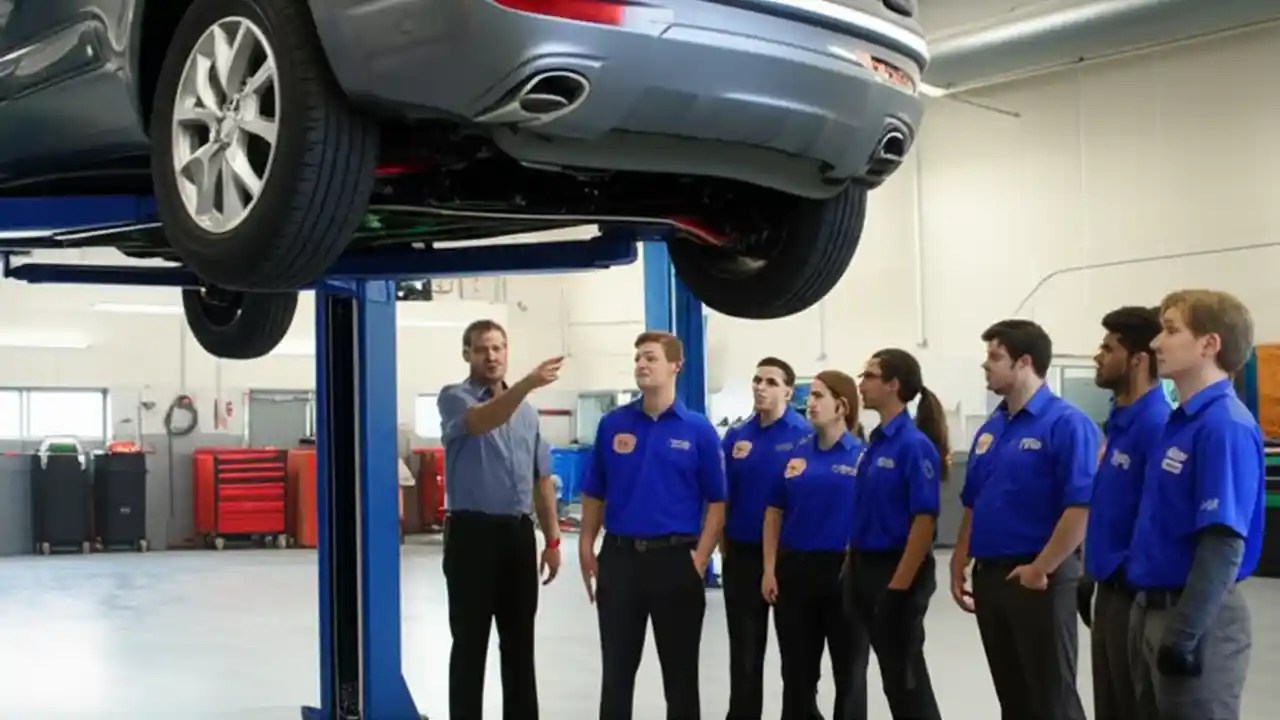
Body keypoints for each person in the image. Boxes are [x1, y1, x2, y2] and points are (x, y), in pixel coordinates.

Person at [950, 319, 1098, 720]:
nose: (986, 366)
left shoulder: (1067, 424)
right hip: (991, 577)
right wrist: (959, 556)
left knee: (1052, 698)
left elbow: (1080, 506)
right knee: (1013, 698)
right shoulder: (990, 430)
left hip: (1041, 578)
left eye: (995, 357)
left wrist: (1040, 569)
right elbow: (974, 501)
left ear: (1025, 362)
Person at [1127, 289, 1263, 720]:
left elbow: (1222, 544)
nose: (1154, 344)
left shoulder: (1224, 425)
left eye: (1170, 331)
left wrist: (1183, 634)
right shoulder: (1180, 421)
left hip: (1195, 618)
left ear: (1210, 344)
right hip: (1152, 609)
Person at [579, 331, 727, 720]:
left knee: (680, 678)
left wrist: (700, 558)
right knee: (616, 673)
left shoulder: (698, 430)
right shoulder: (613, 425)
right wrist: (585, 547)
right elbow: (594, 491)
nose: (641, 365)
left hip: (675, 561)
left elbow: (717, 501)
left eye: (651, 358)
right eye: (638, 359)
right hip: (620, 560)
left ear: (675, 365)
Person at [436, 319, 566, 720]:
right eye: (481, 349)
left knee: (519, 643)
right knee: (470, 644)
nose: (491, 356)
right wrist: (527, 383)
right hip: (472, 536)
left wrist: (553, 539)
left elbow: (541, 478)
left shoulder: (527, 415)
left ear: (506, 352)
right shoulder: (455, 398)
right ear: (467, 355)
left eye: (498, 348)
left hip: (516, 536)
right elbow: (480, 422)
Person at [1079, 306, 1169, 720]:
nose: (1098, 356)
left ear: (1138, 359)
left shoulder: (1157, 427)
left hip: (1133, 593)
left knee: (1132, 707)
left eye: (1108, 347)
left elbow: (1156, 518)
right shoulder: (1119, 422)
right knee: (1110, 707)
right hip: (1107, 589)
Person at [761, 370, 865, 720]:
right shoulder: (795, 454)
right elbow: (773, 513)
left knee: (848, 671)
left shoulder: (861, 457)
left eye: (819, 395)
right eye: (810, 395)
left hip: (843, 572)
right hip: (795, 571)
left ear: (842, 406)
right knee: (797, 672)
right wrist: (770, 569)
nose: (811, 402)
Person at [848, 348, 946, 720]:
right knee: (891, 675)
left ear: (893, 385)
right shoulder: (875, 442)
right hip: (866, 567)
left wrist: (898, 588)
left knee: (906, 676)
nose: (862, 383)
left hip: (896, 571)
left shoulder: (913, 445)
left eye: (870, 376)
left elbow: (924, 522)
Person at [720, 357, 813, 720]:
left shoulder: (804, 435)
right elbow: (724, 499)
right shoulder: (737, 437)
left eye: (771, 382)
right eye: (757, 380)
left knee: (797, 652)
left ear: (789, 390)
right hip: (743, 556)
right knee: (744, 651)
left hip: (790, 558)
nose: (761, 387)